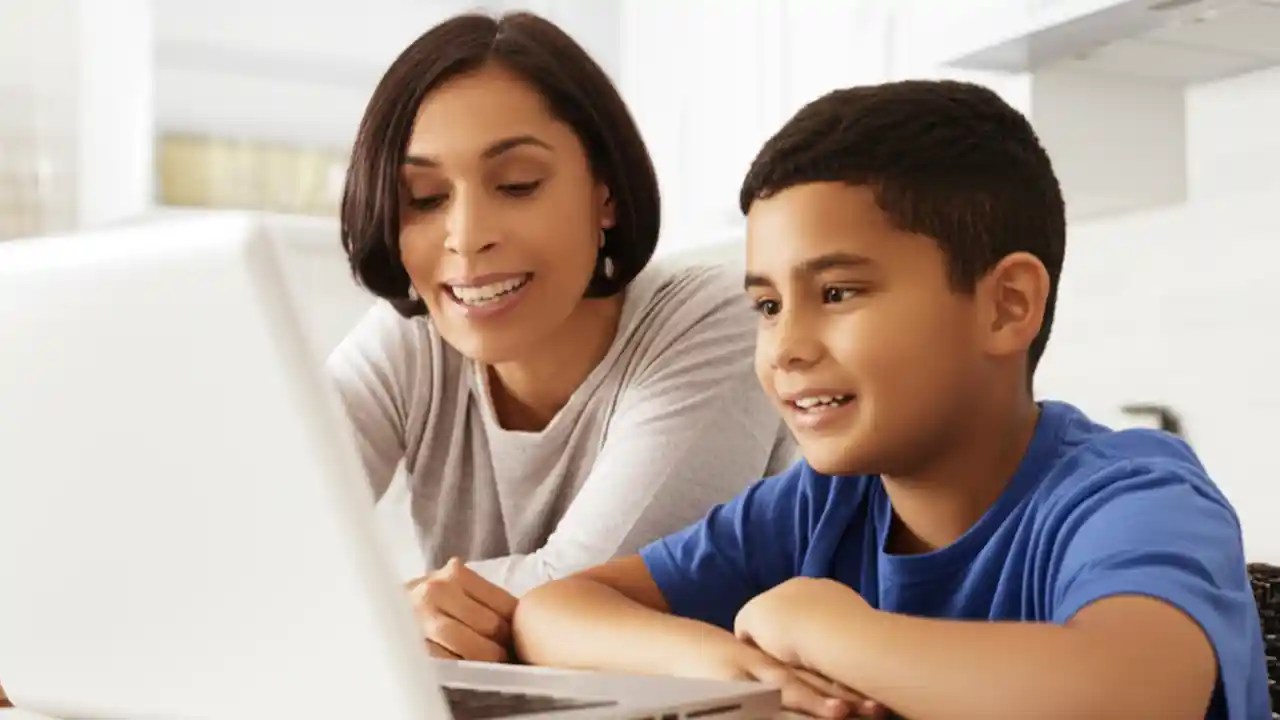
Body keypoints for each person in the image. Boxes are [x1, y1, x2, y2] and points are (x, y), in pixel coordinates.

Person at [512, 80, 1269, 719]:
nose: (784, 349)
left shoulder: (1133, 492)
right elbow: (554, 613)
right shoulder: (820, 504)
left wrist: (826, 630)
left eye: (837, 292)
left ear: (1006, 306)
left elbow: (1137, 690)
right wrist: (726, 665)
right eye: (769, 306)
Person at [328, 11, 795, 664]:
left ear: (604, 193)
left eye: (517, 185)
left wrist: (383, 610)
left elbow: (583, 593)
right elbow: (264, 547)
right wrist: (395, 610)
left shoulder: (715, 321)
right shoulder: (410, 339)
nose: (466, 236)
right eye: (427, 197)